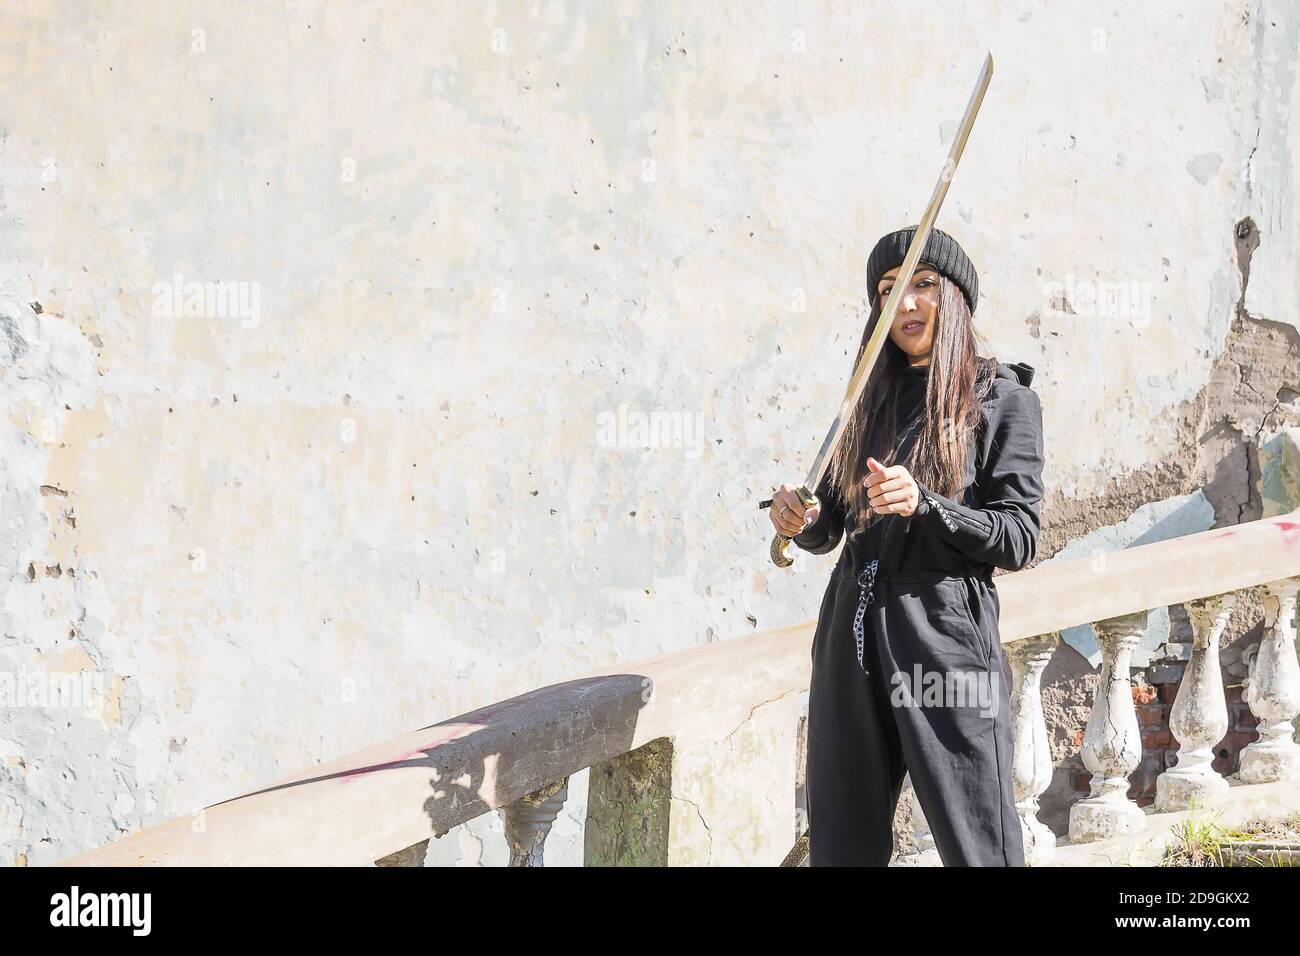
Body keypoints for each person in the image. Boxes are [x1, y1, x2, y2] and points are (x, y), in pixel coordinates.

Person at [768, 225, 1045, 866]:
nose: (908, 305)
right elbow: (832, 523)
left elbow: (1018, 536)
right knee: (842, 840)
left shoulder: (1004, 400)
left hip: (943, 630)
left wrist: (928, 506)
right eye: (891, 292)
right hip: (851, 630)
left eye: (924, 286)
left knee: (978, 837)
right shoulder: (866, 399)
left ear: (956, 299)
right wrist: (798, 518)